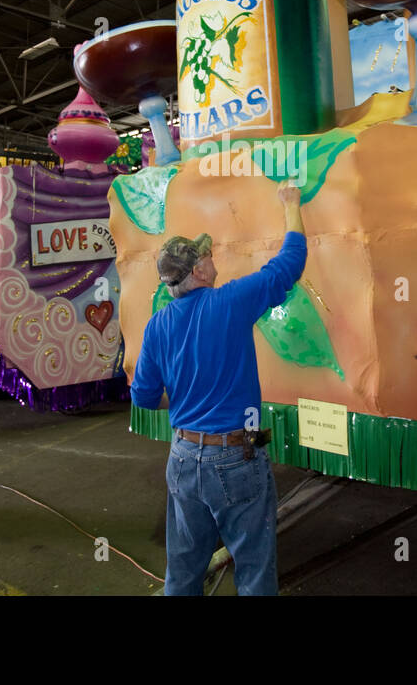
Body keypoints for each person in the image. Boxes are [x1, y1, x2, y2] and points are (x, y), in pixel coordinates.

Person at [131, 180, 306, 596]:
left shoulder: (158, 325)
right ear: (198, 272)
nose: (213, 258)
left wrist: (186, 395)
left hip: (183, 456)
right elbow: (290, 262)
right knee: (254, 571)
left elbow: (142, 397)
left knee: (183, 573)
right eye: (206, 256)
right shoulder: (228, 302)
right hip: (235, 458)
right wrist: (292, 204)